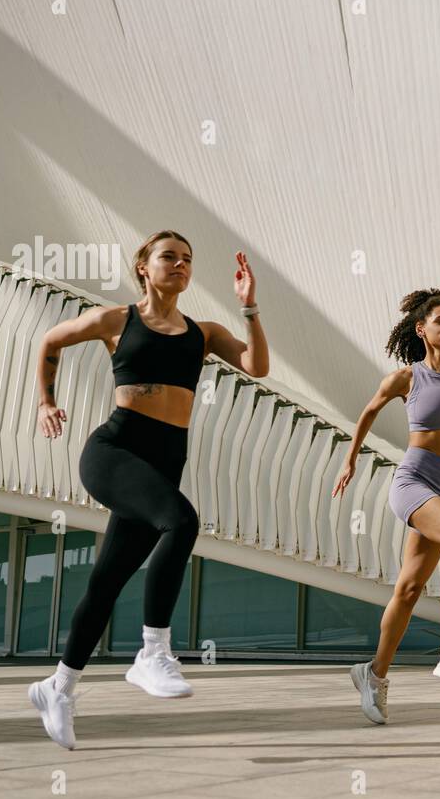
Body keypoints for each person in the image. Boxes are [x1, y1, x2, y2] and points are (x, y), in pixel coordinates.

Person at [28, 231, 268, 749]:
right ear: (144, 267)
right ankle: (153, 652)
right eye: (169, 257)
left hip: (164, 461)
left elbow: (256, 367)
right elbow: (49, 341)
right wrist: (46, 401)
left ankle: (58, 687)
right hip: (114, 451)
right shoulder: (117, 320)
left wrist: (249, 309)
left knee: (106, 581)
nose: (180, 264)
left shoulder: (204, 333)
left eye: (187, 259)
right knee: (181, 522)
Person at [333, 289, 440, 724]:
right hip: (412, 482)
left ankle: (373, 674)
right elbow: (368, 412)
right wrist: (350, 458)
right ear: (421, 329)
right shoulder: (406, 379)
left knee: (408, 589)